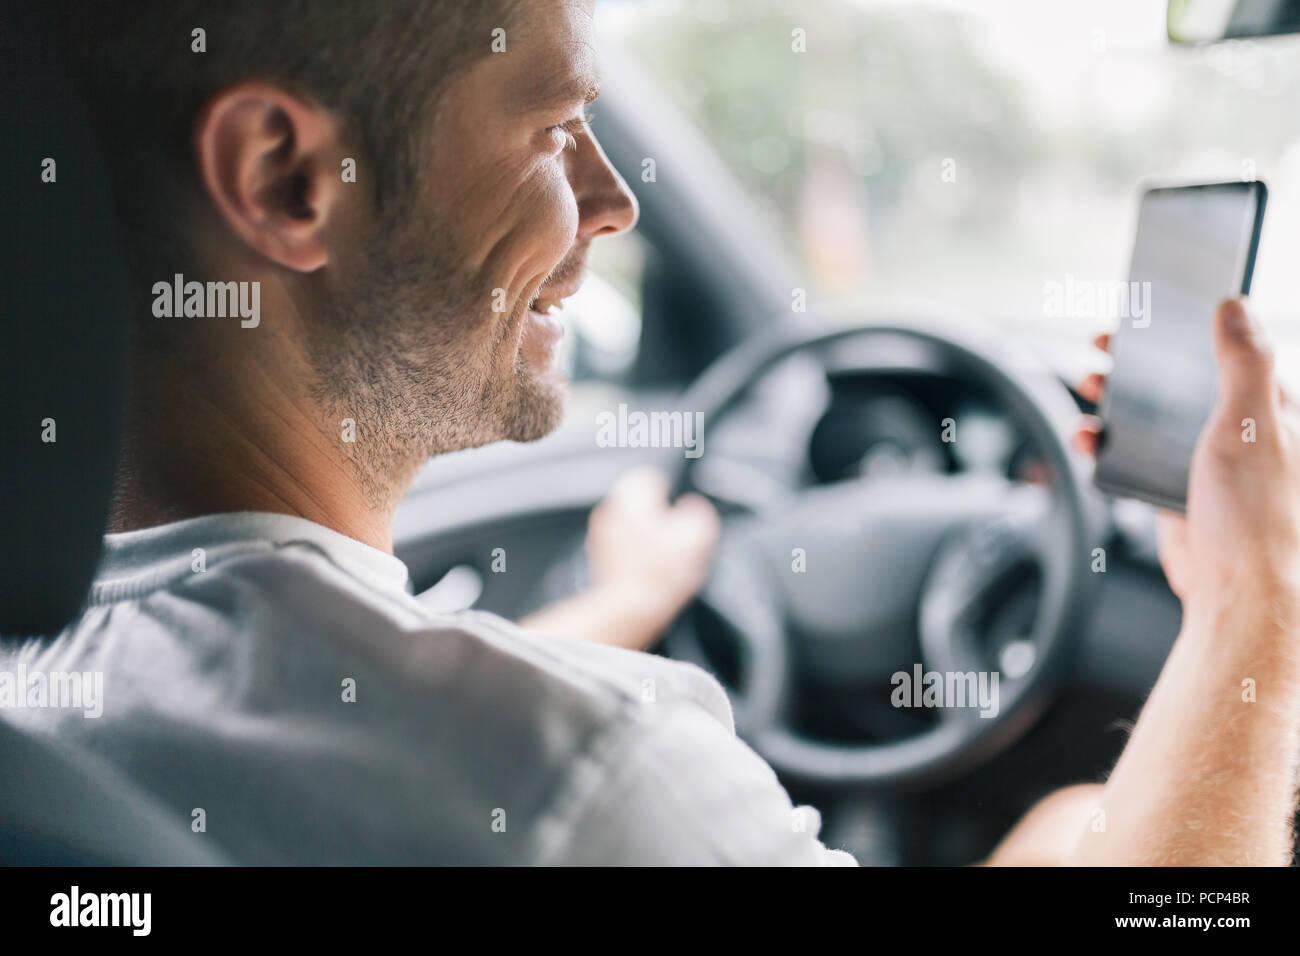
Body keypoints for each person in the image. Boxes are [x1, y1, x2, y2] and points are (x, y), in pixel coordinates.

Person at [8, 0, 1298, 865]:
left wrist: (631, 599)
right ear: (289, 179)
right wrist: (1254, 605)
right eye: (554, 131)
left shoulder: (47, 698)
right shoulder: (589, 781)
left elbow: (297, 707)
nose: (611, 203)